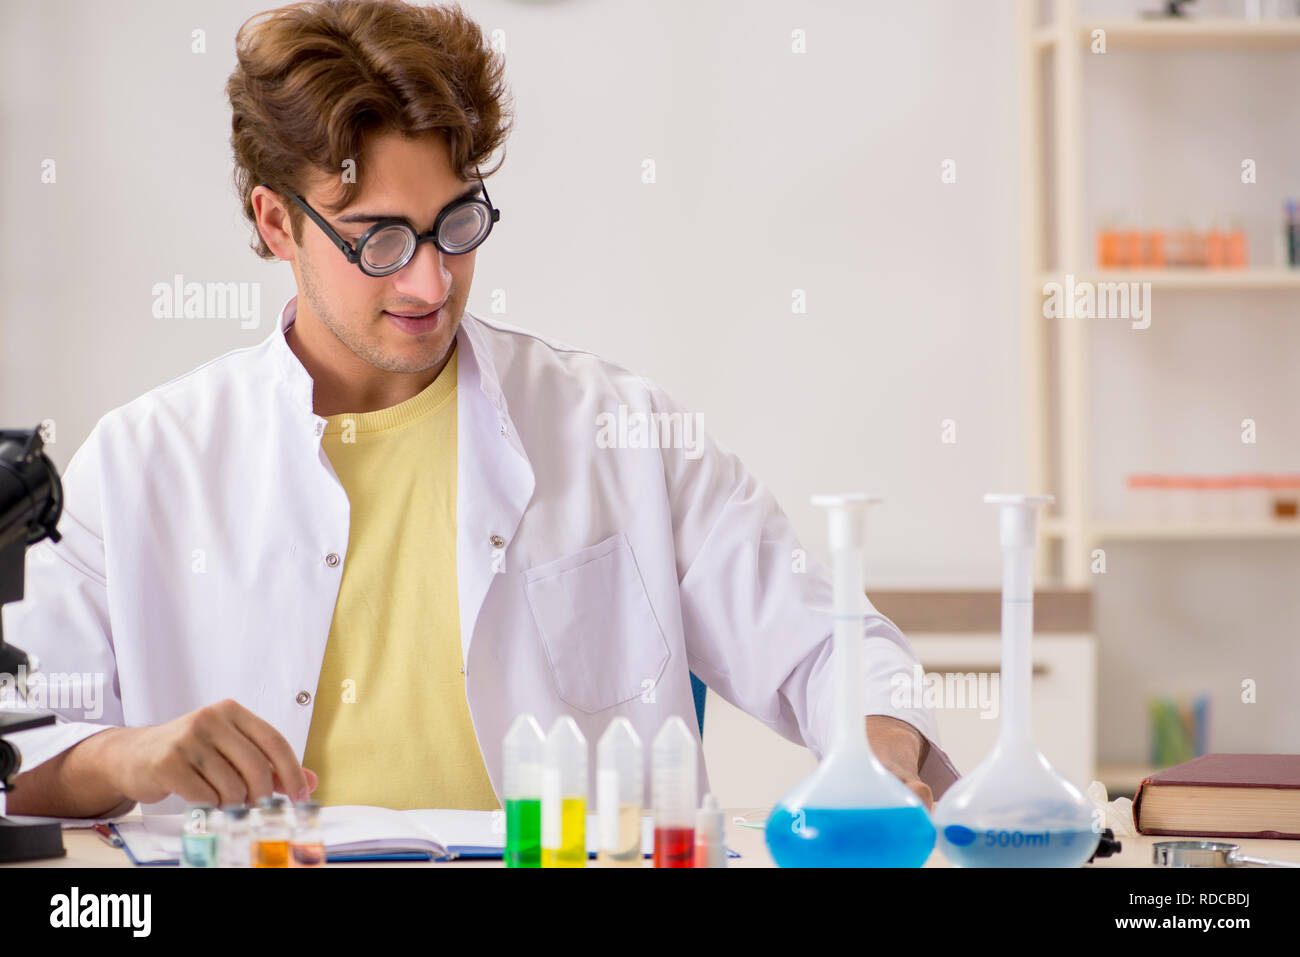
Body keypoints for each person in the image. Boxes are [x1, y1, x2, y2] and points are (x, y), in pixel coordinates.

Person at [1, 0, 957, 819]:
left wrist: (875, 746)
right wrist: (127, 756)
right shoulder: (143, 462)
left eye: (456, 223)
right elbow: (17, 745)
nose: (429, 278)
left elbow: (834, 648)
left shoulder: (616, 434)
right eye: (378, 237)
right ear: (275, 221)